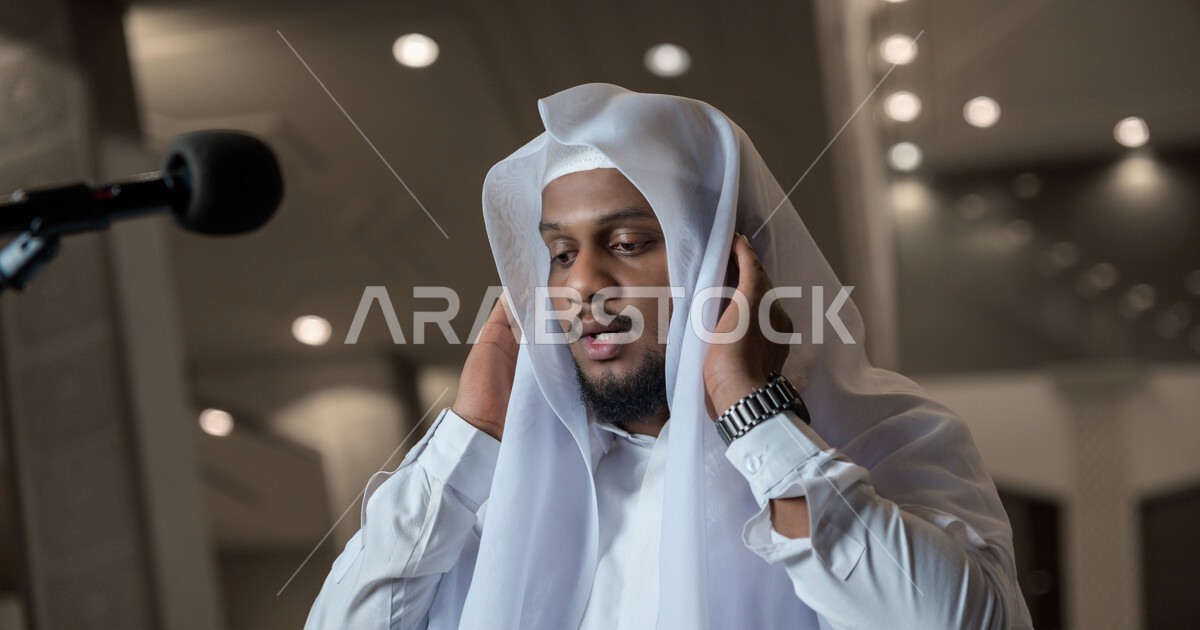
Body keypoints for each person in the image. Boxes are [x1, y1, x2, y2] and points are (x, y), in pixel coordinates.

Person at [304, 83, 1034, 629]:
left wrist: (752, 418)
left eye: (627, 244)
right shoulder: (507, 484)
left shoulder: (885, 429)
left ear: (722, 259)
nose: (583, 283)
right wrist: (470, 436)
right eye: (560, 254)